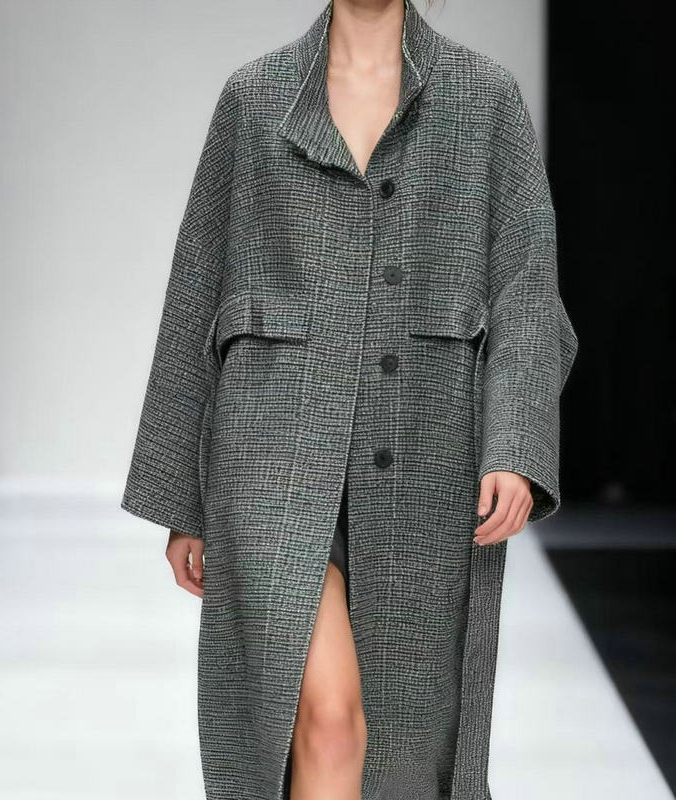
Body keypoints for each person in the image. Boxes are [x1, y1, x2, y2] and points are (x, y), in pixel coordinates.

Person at [122, 0, 578, 798]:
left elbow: (527, 290)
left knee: (400, 749)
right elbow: (197, 286)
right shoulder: (257, 97)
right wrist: (182, 500)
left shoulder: (485, 99)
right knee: (329, 720)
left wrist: (513, 445)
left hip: (427, 452)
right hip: (271, 452)